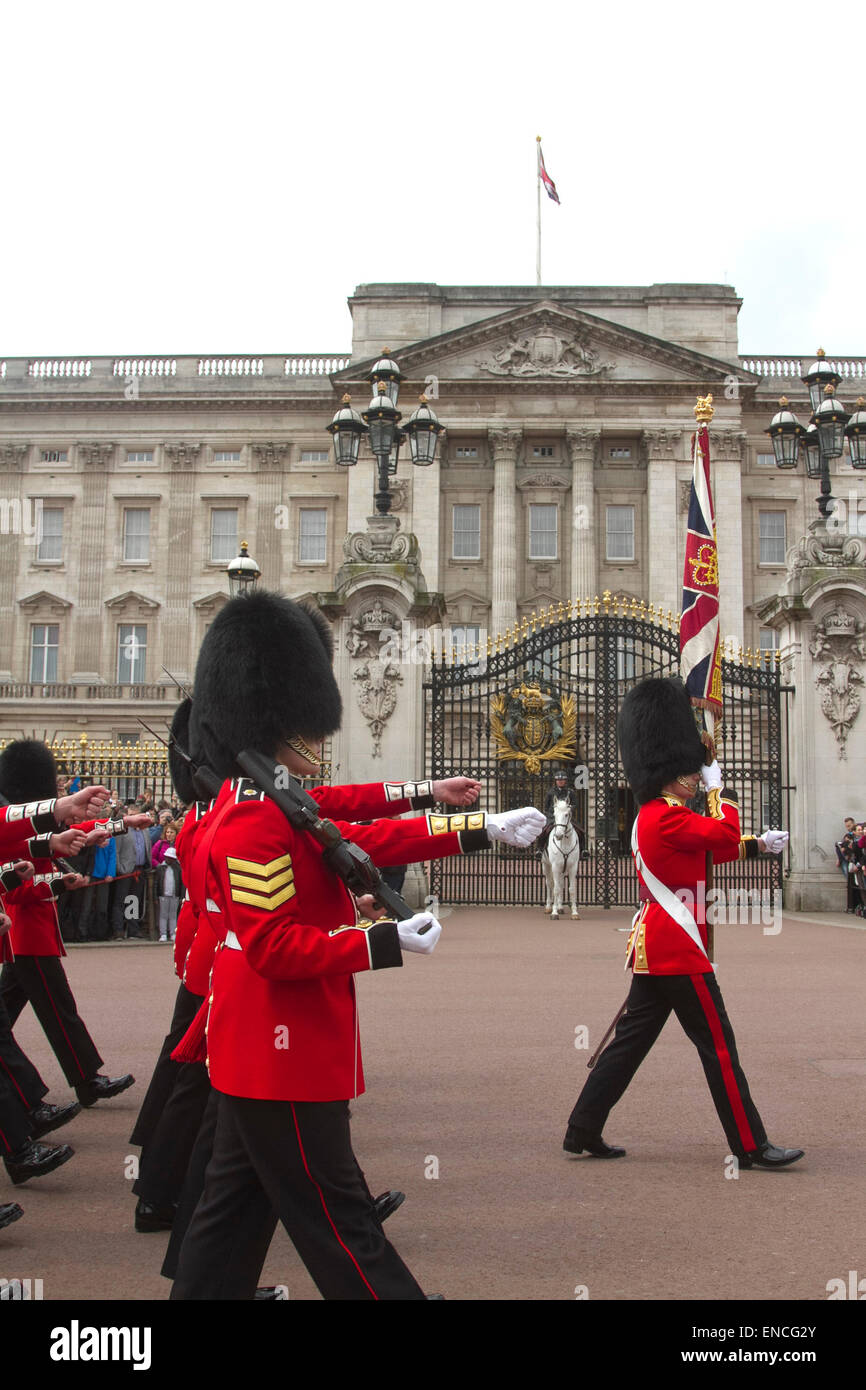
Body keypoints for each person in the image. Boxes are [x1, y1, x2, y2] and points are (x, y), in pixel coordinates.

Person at [170, 590, 545, 1300]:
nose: (317, 738)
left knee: (229, 1217)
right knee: (338, 1218)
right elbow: (275, 948)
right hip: (277, 1046)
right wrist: (380, 940)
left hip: (263, 1047)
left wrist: (475, 828)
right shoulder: (253, 819)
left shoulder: (274, 797)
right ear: (277, 721)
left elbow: (360, 830)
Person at [562, 676, 803, 1171]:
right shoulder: (666, 816)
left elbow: (712, 848)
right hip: (678, 949)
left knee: (628, 1045)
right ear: (671, 772)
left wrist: (761, 845)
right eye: (691, 772)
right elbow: (723, 828)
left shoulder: (657, 815)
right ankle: (750, 1145)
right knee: (719, 1047)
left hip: (658, 947)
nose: (696, 778)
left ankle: (582, 1129)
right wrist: (723, 787)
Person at [0, 745, 136, 1109]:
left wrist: (124, 824)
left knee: (8, 1011)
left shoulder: (28, 832)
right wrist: (58, 885)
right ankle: (87, 1079)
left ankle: (84, 1079)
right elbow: (14, 893)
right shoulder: (14, 837)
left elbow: (75, 833)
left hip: (33, 936)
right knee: (61, 1011)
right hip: (27, 936)